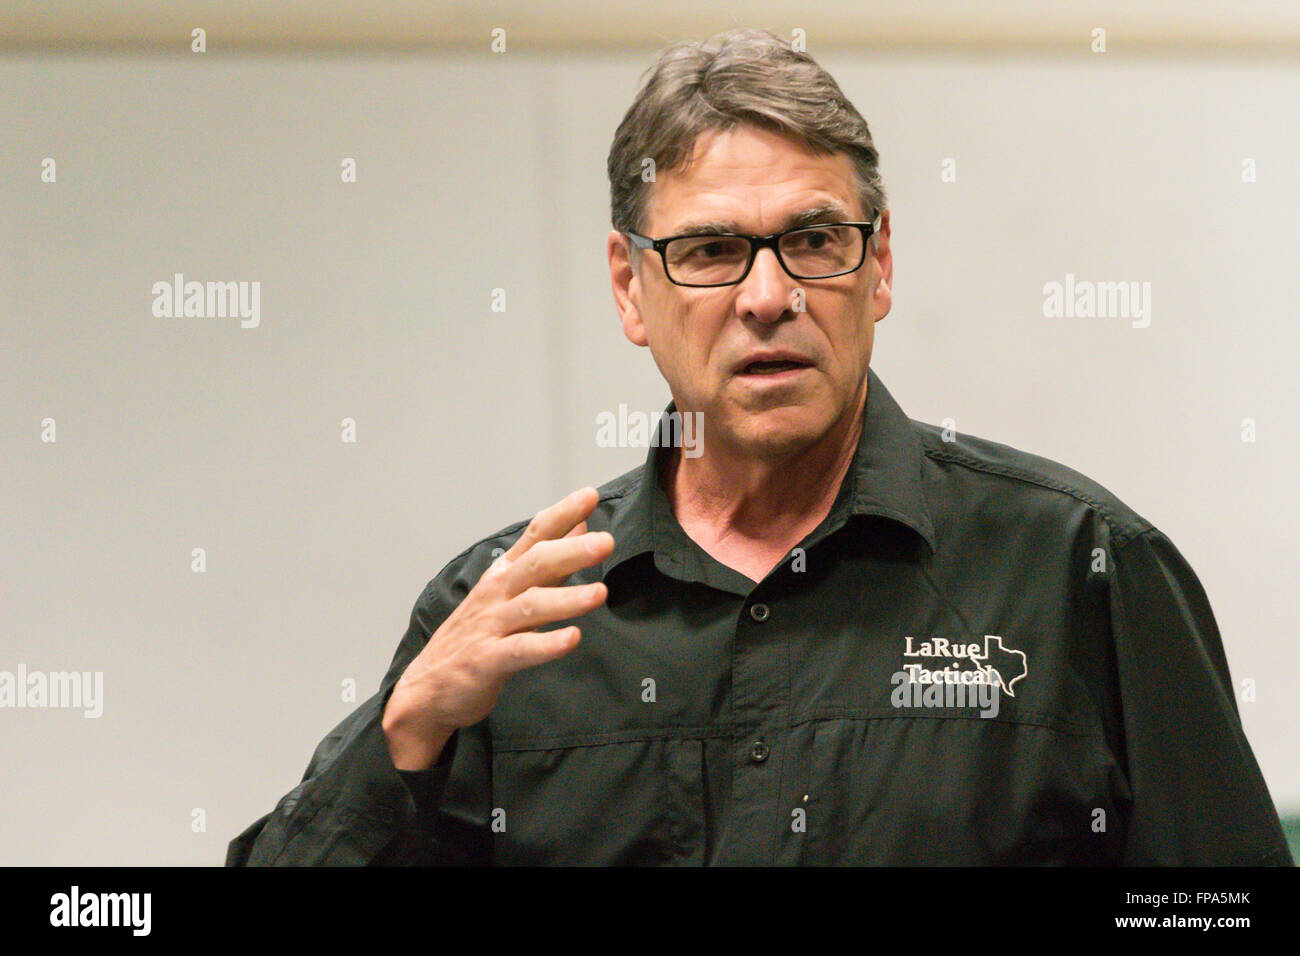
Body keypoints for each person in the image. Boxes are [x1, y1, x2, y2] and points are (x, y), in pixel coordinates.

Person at [227, 28, 1292, 866]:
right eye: (710, 250)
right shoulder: (509, 614)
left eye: (815, 240)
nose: (769, 296)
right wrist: (406, 731)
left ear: (879, 267)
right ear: (626, 286)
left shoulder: (1081, 570)